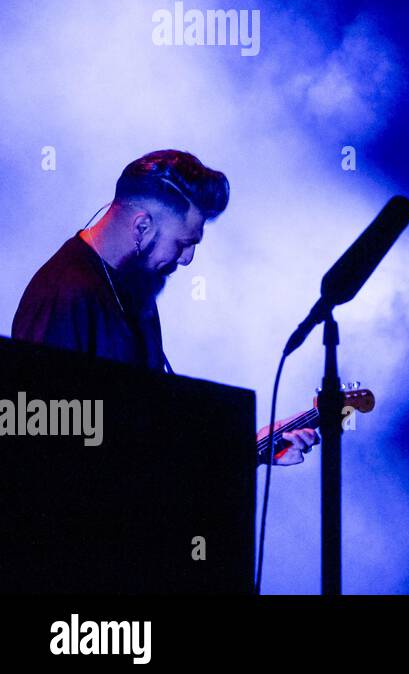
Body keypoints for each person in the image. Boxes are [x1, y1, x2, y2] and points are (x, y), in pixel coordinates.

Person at [11, 149, 319, 465]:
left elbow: (145, 434)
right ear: (142, 227)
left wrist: (244, 449)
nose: (187, 258)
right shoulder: (63, 294)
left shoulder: (137, 286)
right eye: (184, 242)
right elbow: (41, 438)